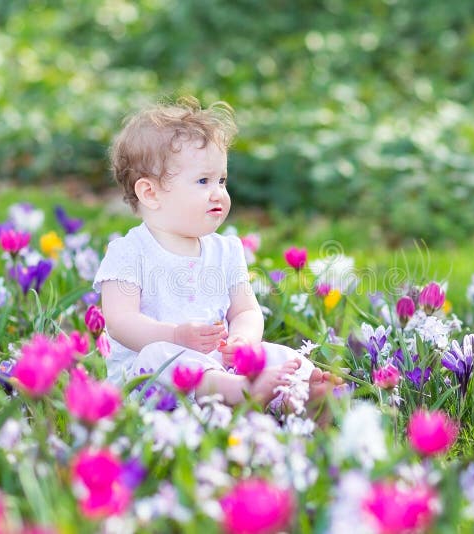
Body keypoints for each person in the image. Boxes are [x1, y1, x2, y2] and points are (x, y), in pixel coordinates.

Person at [93, 96, 338, 410]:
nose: (218, 192)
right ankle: (246, 392)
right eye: (203, 180)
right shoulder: (129, 252)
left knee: (279, 354)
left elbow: (245, 311)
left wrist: (243, 342)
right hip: (153, 381)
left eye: (221, 180)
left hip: (220, 364)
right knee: (157, 355)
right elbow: (120, 321)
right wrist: (175, 335)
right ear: (150, 193)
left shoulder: (226, 250)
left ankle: (294, 395)